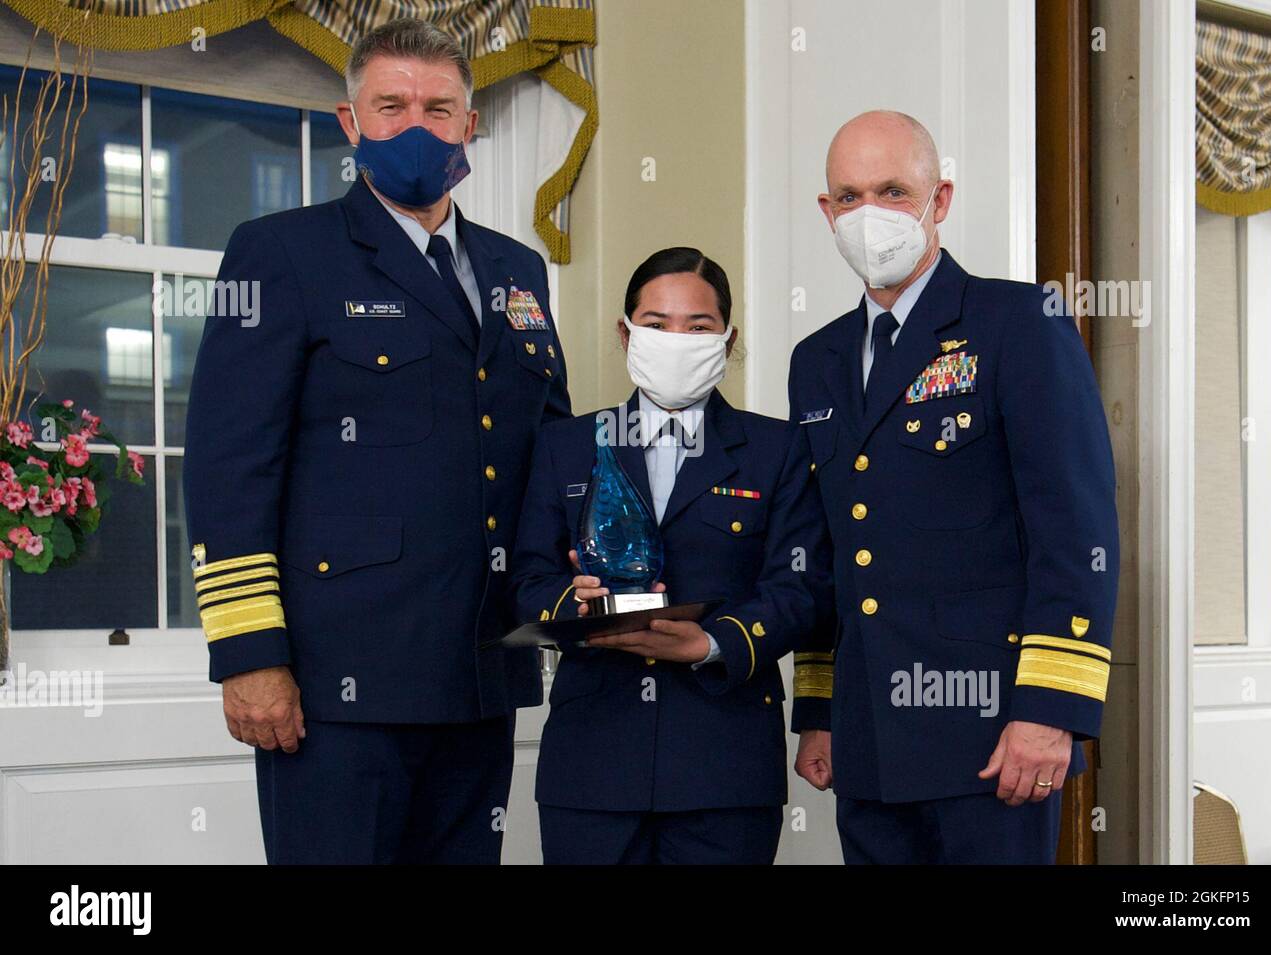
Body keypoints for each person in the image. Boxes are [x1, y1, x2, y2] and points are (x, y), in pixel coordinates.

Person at [183, 19, 570, 864]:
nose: (417, 126)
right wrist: (249, 653)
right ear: (349, 122)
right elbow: (227, 468)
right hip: (335, 687)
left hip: (481, 675)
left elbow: (554, 452)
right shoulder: (281, 253)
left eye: (440, 107)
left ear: (470, 125)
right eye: (390, 106)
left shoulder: (518, 270)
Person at [787, 110, 1119, 864]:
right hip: (867, 739)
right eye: (848, 196)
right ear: (826, 212)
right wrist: (820, 710)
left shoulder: (1016, 322)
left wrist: (1050, 712)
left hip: (991, 739)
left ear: (940, 201)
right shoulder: (818, 358)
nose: (869, 216)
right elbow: (829, 549)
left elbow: (1076, 532)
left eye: (893, 191)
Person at [511, 247, 832, 864]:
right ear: (625, 332)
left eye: (698, 326)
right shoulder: (566, 446)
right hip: (593, 766)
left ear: (728, 338)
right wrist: (569, 605)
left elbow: (803, 590)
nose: (675, 340)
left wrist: (709, 644)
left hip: (724, 766)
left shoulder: (778, 449)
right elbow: (526, 577)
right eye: (656, 325)